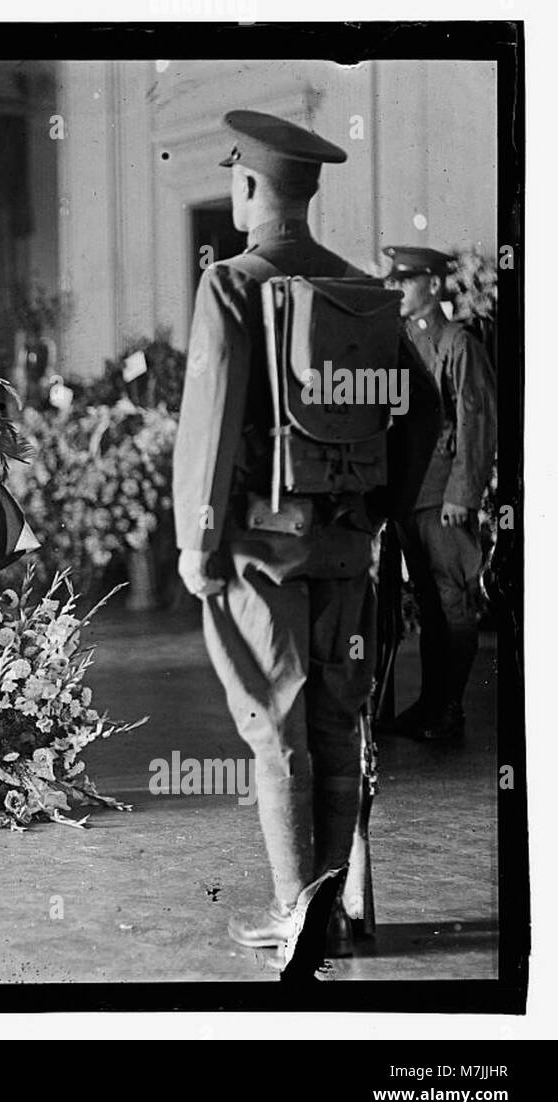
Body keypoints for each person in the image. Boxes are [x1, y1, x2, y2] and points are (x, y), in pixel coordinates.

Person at [172, 111, 440, 957]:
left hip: (258, 553)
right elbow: (426, 407)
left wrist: (197, 539)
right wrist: (382, 506)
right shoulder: (361, 287)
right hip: (345, 545)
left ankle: (300, 917)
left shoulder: (232, 283)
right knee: (334, 720)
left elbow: (209, 421)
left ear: (249, 188)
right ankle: (327, 905)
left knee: (275, 728)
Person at [383, 245, 498, 742]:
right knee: (429, 604)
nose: (397, 291)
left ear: (432, 284)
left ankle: (449, 709)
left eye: (405, 282)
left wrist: (462, 494)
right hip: (411, 494)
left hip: (444, 497)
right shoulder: (403, 341)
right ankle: (431, 706)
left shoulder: (458, 343)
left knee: (453, 603)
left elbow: (477, 419)